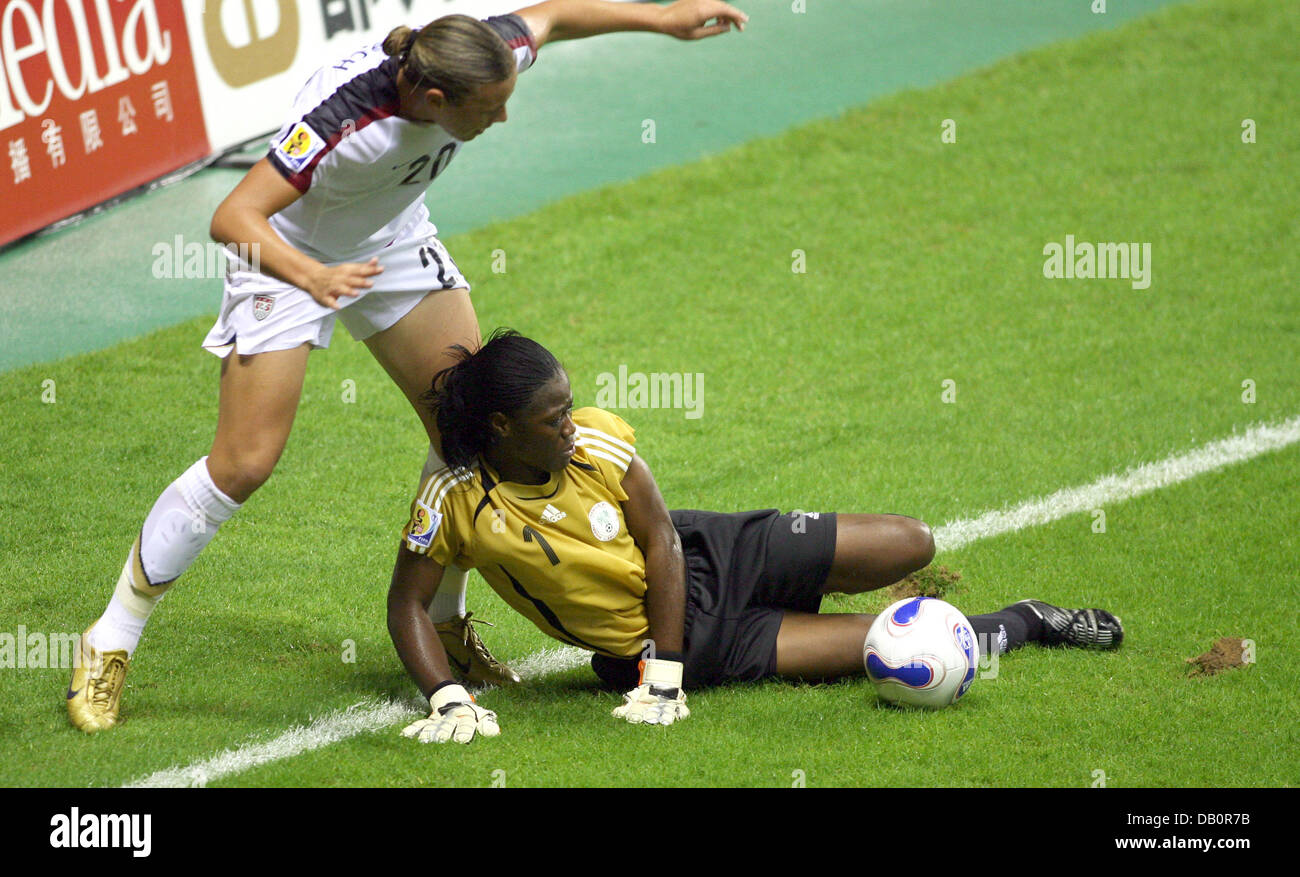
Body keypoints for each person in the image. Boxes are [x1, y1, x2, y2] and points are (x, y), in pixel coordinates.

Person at [67, 0, 751, 733]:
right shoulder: (344, 123)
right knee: (244, 462)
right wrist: (313, 277)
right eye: (489, 110)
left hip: (389, 241)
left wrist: (664, 18)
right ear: (432, 100)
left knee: (470, 429)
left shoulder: (480, 56)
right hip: (285, 251)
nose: (503, 118)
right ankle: (111, 639)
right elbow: (233, 217)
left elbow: (551, 16)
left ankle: (447, 627)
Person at [387, 331, 1125, 744]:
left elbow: (663, 542)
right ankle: (1029, 620)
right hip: (666, 645)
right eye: (555, 419)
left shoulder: (600, 442)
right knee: (893, 649)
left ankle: (705, 640)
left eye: (571, 405)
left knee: (913, 542)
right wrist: (446, 696)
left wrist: (665, 678)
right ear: (502, 429)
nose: (572, 423)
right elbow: (407, 606)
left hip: (711, 554)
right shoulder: (455, 499)